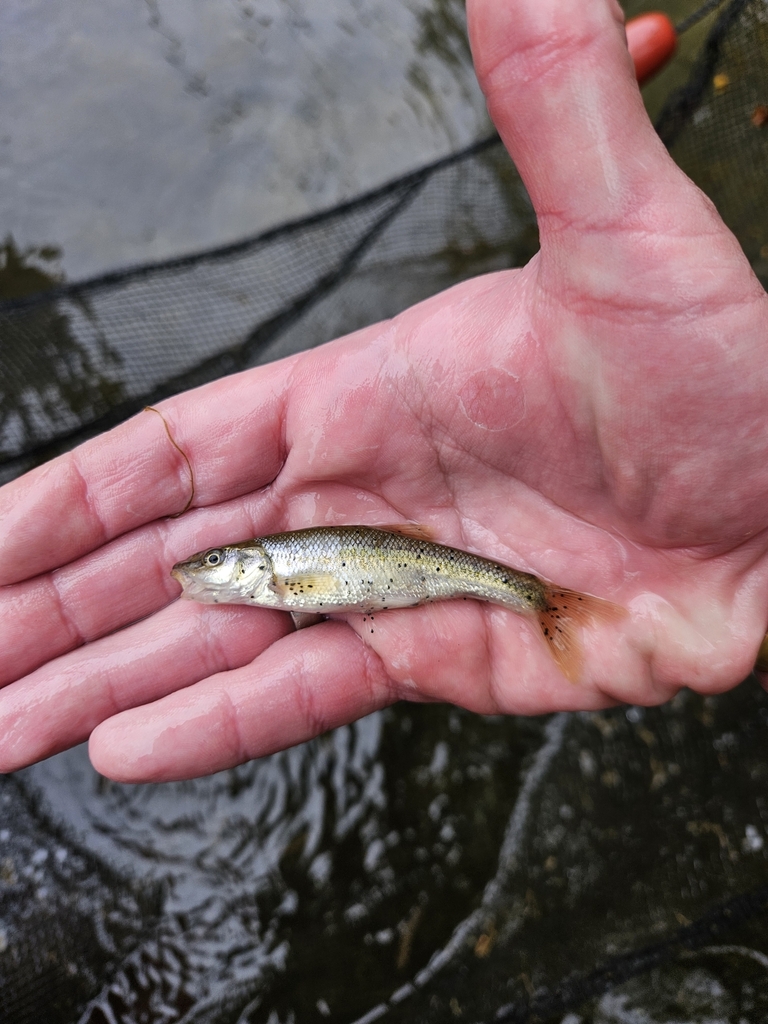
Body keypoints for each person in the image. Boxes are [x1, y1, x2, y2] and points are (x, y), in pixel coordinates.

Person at [1, 0, 767, 784]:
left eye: (222, 565)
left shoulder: (282, 575)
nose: (210, 575)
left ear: (251, 565)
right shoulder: (279, 580)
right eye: (221, 568)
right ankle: (542, 601)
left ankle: (539, 600)